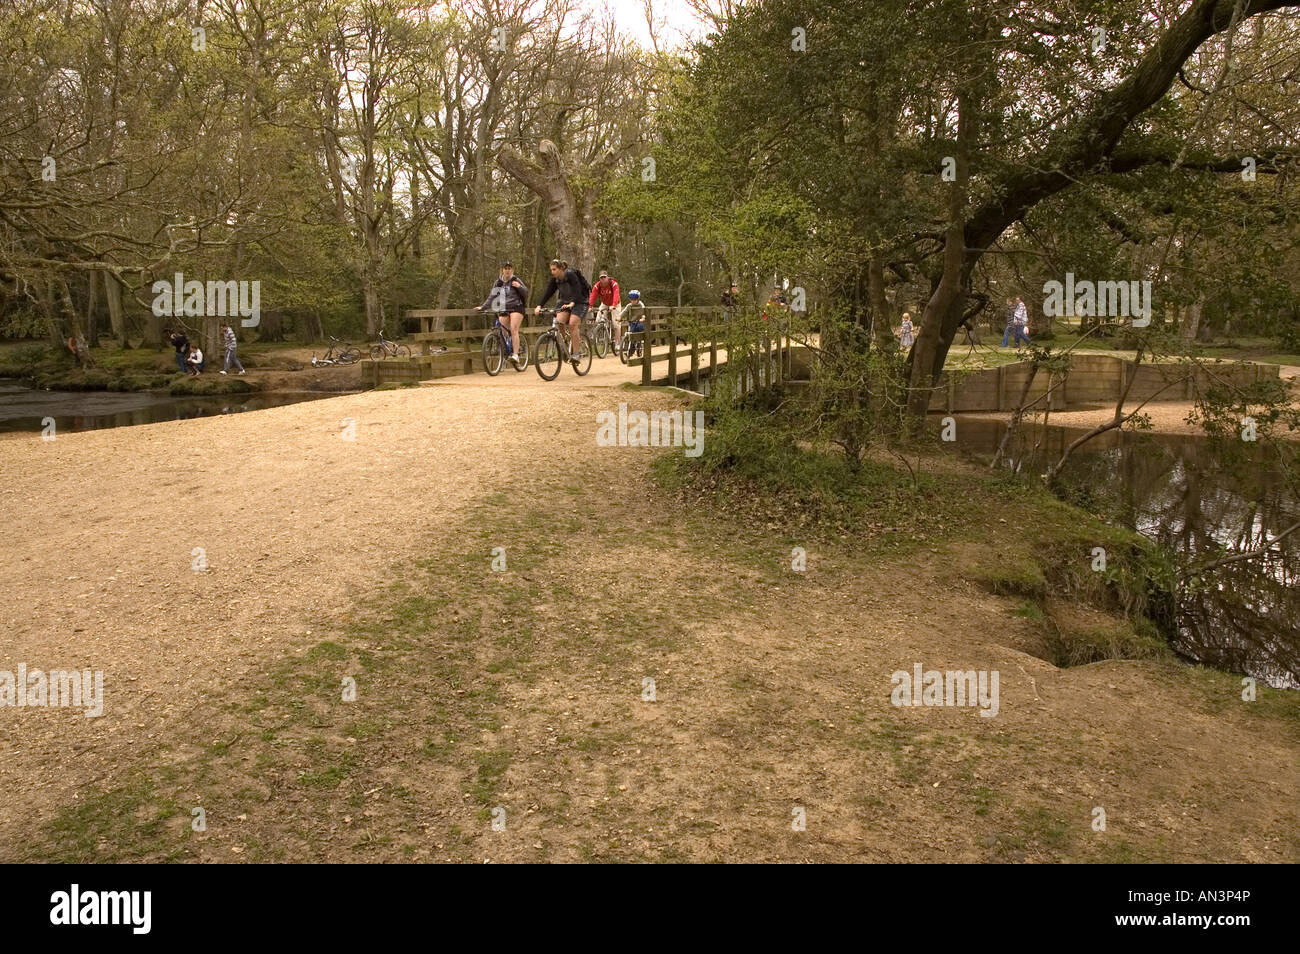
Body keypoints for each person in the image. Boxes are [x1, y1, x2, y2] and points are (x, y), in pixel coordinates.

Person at [534, 258, 591, 366]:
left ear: (561, 269)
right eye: (551, 270)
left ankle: (576, 353)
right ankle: (565, 342)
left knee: (572, 324)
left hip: (580, 301)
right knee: (559, 322)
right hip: (565, 302)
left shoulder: (570, 275)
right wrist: (539, 305)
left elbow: (577, 289)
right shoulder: (555, 280)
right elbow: (548, 293)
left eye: (554, 269)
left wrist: (573, 302)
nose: (552, 272)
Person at [477, 261, 529, 368]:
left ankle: (515, 354)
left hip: (516, 307)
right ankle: (505, 353)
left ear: (512, 270)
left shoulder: (516, 280)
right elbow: (492, 297)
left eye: (509, 268)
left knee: (514, 329)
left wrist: (519, 287)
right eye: (505, 268)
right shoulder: (498, 283)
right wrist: (483, 307)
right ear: (502, 270)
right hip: (504, 308)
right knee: (501, 330)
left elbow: (526, 293)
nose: (507, 270)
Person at [589, 269, 621, 349]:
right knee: (598, 319)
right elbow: (593, 296)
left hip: (615, 303)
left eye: (604, 277)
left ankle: (617, 343)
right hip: (605, 303)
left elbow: (616, 295)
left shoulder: (613, 284)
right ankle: (599, 333)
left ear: (607, 277)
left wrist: (613, 305)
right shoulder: (598, 285)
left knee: (616, 323)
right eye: (601, 278)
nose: (603, 279)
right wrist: (590, 306)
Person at [621, 289, 646, 357]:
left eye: (634, 299)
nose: (633, 301)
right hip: (632, 322)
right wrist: (619, 317)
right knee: (631, 336)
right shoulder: (629, 305)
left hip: (639, 321)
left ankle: (639, 343)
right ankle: (630, 352)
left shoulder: (641, 305)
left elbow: (644, 311)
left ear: (638, 299)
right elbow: (624, 312)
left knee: (639, 328)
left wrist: (643, 318)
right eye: (631, 299)